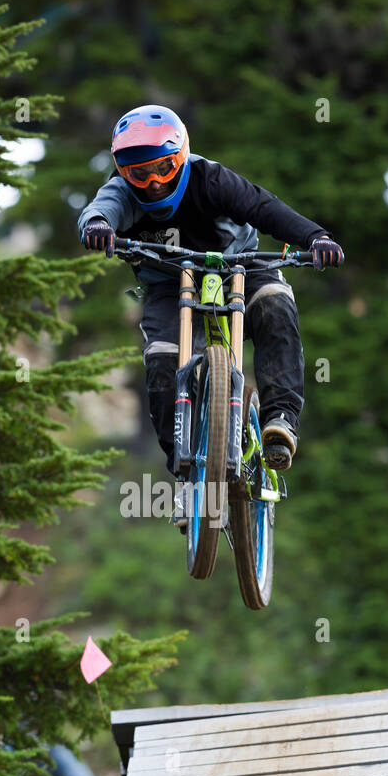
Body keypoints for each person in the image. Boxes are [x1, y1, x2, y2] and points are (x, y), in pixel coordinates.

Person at [77, 104, 343, 519]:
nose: (151, 184)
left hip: (240, 265)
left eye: (162, 169)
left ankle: (280, 422)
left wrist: (316, 237)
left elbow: (264, 208)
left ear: (181, 156)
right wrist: (96, 226)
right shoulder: (121, 191)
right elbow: (101, 209)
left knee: (276, 303)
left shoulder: (211, 178)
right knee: (162, 361)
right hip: (168, 280)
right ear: (122, 172)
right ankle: (184, 479)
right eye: (138, 174)